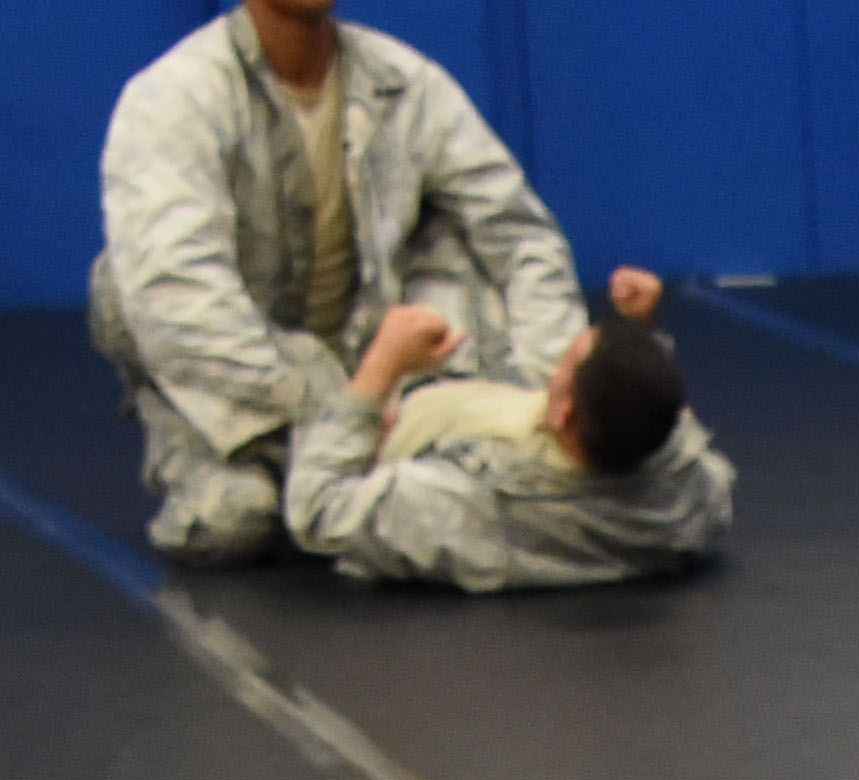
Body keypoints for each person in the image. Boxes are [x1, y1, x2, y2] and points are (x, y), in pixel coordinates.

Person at [91, 0, 588, 568]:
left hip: (386, 366)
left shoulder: (403, 82)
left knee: (485, 485)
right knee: (233, 520)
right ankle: (206, 448)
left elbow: (520, 237)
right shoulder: (174, 98)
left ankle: (363, 465)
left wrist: (546, 392)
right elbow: (180, 299)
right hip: (248, 384)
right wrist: (342, 409)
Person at [280, 263, 736, 591]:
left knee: (294, 352)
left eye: (565, 365)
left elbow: (317, 508)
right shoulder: (685, 501)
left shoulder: (472, 508)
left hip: (367, 431)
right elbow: (652, 414)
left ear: (562, 415)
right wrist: (638, 333)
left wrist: (377, 372)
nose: (557, 368)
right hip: (476, 396)